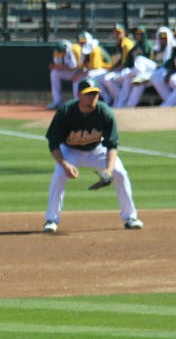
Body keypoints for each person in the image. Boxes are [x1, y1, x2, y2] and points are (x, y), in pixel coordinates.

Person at [43, 78, 143, 233]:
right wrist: (65, 164)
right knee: (59, 175)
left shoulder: (104, 112)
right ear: (79, 95)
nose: (92, 97)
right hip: (70, 151)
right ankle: (51, 219)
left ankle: (130, 217)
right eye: (88, 94)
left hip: (97, 150)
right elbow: (53, 143)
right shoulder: (66, 112)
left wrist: (109, 170)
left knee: (120, 173)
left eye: (95, 94)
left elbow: (112, 145)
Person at [116, 26, 175, 108]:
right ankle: (129, 105)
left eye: (165, 38)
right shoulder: (156, 49)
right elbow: (152, 63)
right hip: (153, 72)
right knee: (137, 81)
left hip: (163, 71)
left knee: (139, 59)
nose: (162, 40)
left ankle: (133, 74)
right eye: (161, 38)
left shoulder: (173, 49)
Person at [105, 25, 151, 107]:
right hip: (136, 74)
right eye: (136, 34)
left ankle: (123, 104)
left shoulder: (148, 46)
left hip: (148, 73)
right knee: (129, 80)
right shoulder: (134, 47)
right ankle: (124, 105)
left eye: (140, 33)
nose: (138, 35)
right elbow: (127, 63)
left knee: (139, 60)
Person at [98, 23, 137, 105]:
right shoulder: (120, 43)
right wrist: (112, 69)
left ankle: (120, 99)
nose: (117, 34)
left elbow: (124, 63)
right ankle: (116, 99)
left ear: (124, 33)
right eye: (115, 32)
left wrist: (112, 70)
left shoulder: (126, 44)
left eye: (119, 32)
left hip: (130, 71)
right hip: (125, 70)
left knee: (107, 78)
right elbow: (120, 60)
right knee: (101, 78)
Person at [71, 31, 111, 99]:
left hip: (106, 70)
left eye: (84, 42)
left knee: (91, 76)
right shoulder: (84, 49)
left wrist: (80, 74)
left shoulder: (95, 48)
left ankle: (107, 99)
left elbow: (94, 68)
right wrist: (77, 74)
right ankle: (77, 100)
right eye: (81, 42)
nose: (82, 43)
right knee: (76, 78)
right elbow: (81, 67)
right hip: (95, 71)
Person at [48, 39, 81, 109]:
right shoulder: (56, 51)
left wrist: (75, 73)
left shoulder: (74, 50)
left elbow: (74, 67)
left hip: (80, 72)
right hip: (69, 71)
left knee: (76, 80)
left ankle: (78, 103)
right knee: (54, 73)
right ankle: (57, 101)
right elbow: (56, 66)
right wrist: (64, 67)